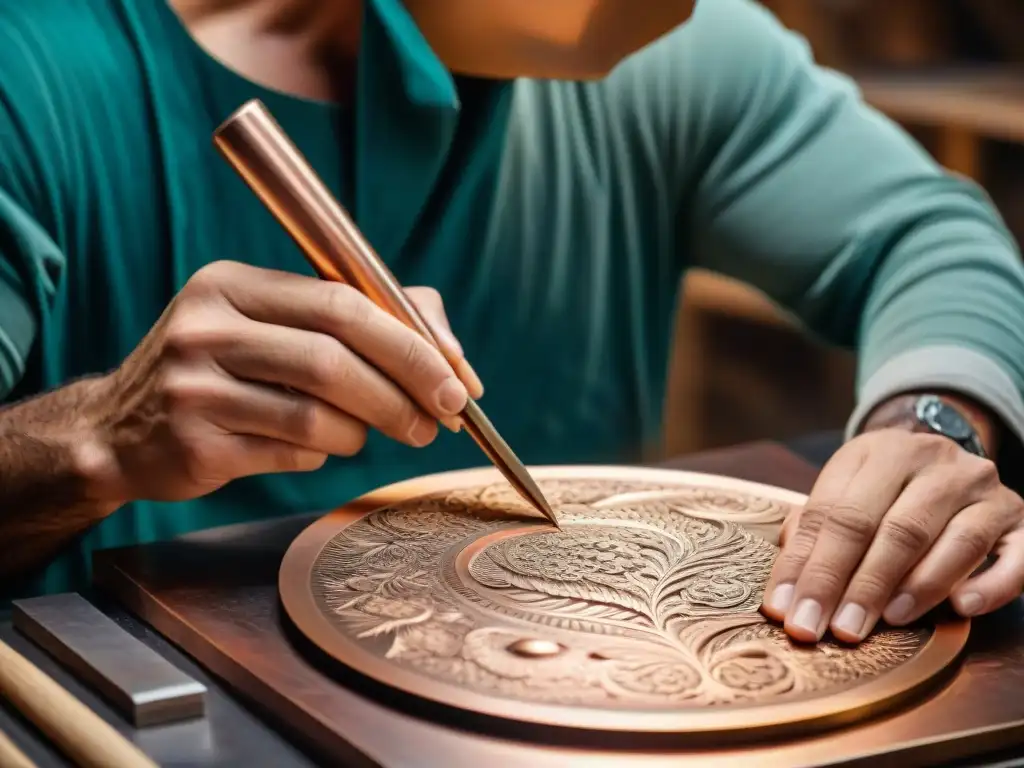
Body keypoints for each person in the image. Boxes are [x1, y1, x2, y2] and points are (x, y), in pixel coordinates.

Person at [0, 0, 1022, 649]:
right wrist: (94, 440)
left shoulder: (673, 47)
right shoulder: (34, 69)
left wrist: (931, 423)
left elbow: (923, 234)